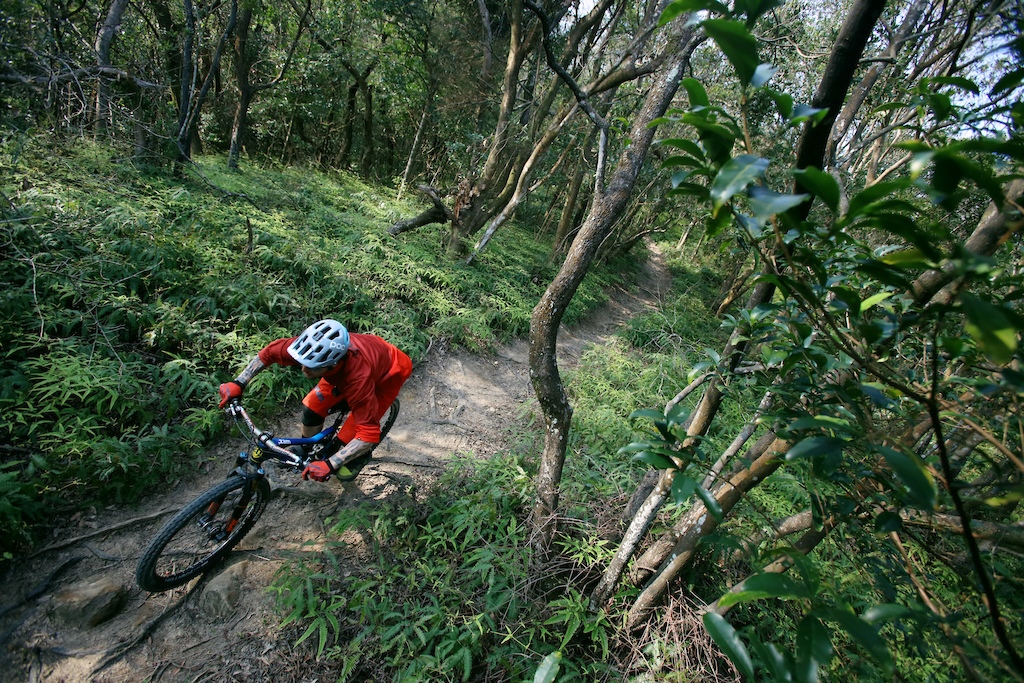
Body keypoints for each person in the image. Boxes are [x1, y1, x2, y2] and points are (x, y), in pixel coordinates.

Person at [218, 319, 412, 482]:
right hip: (366, 357)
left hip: (390, 372)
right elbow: (268, 354)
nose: (304, 370)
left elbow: (367, 434)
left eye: (312, 368)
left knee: (352, 435)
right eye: (303, 363)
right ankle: (306, 446)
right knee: (312, 408)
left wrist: (331, 463)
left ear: (332, 365)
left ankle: (355, 459)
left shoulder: (357, 378)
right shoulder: (311, 348)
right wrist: (239, 382)